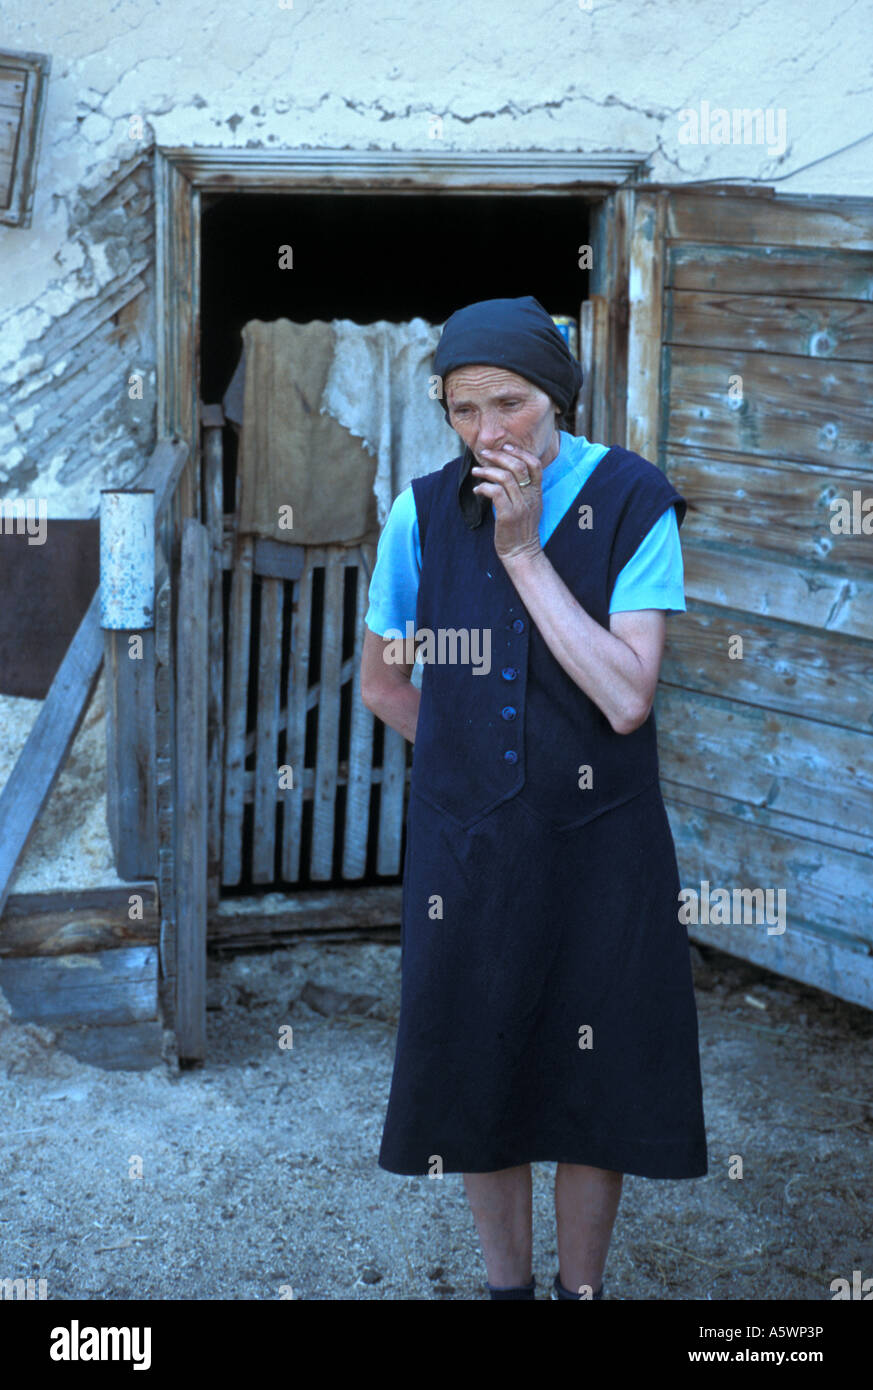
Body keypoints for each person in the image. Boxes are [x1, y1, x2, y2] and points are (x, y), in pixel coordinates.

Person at [360, 295, 707, 1301]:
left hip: (603, 844)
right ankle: (508, 1290)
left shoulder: (634, 501)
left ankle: (580, 1292)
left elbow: (626, 695)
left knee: (595, 1071)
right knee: (481, 1063)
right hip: (470, 846)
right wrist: (478, 764)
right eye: (464, 410)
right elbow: (385, 685)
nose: (488, 433)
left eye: (509, 404)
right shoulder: (420, 511)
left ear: (555, 398)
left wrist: (521, 550)